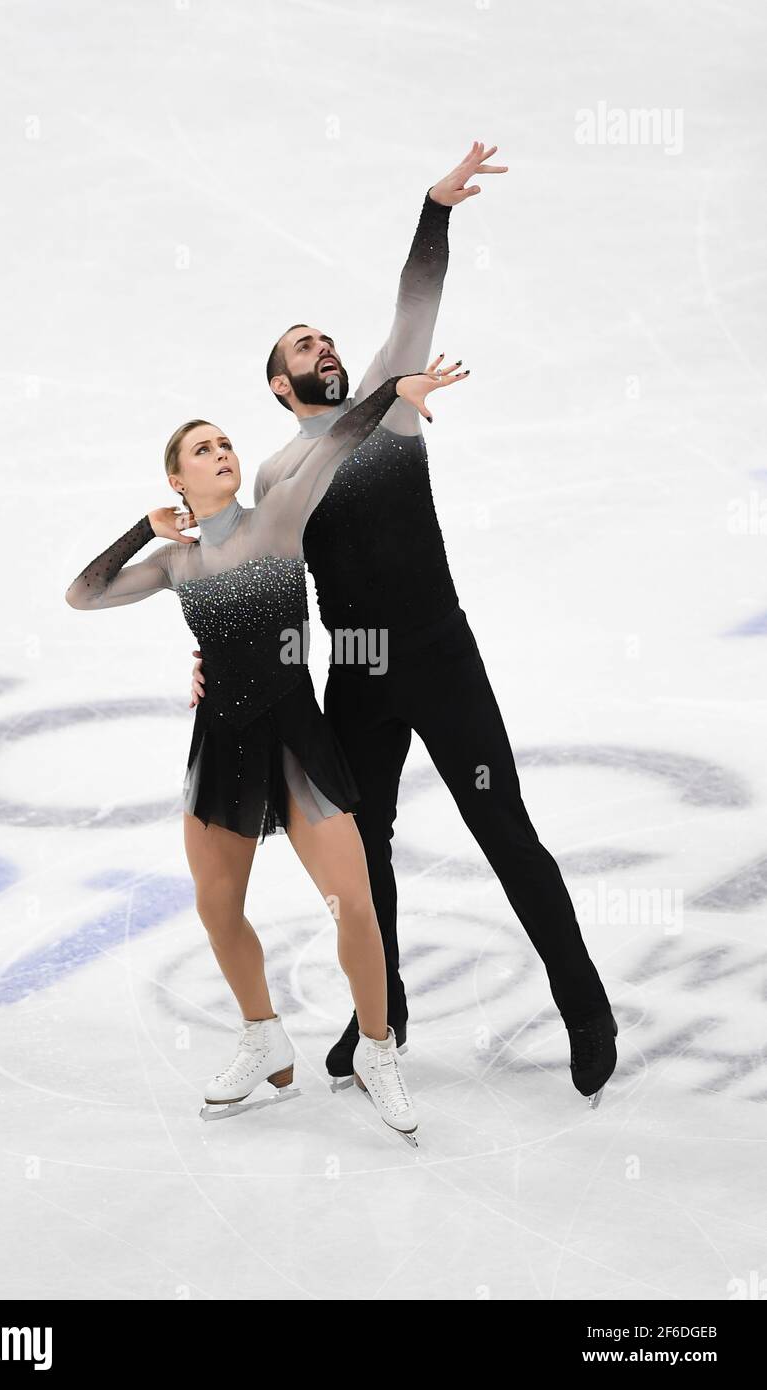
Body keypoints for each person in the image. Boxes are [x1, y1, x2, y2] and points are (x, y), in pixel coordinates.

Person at [191, 143, 618, 1105]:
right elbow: (252, 579)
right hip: (359, 675)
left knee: (502, 827)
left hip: (438, 655)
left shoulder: (392, 406)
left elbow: (414, 304)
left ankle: (585, 1006)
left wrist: (435, 210)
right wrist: (209, 655)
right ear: (276, 385)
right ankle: (382, 1016)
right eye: (302, 349)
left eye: (326, 341)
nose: (323, 351)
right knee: (363, 852)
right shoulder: (273, 474)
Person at [65, 363, 468, 1138]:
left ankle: (378, 1051)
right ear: (178, 479)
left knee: (352, 901)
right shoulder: (176, 563)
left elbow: (339, 441)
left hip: (295, 734)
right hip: (220, 741)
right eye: (202, 450)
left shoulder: (276, 518)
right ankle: (263, 1036)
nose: (221, 453)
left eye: (224, 444)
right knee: (217, 906)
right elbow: (82, 595)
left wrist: (395, 391)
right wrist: (143, 529)